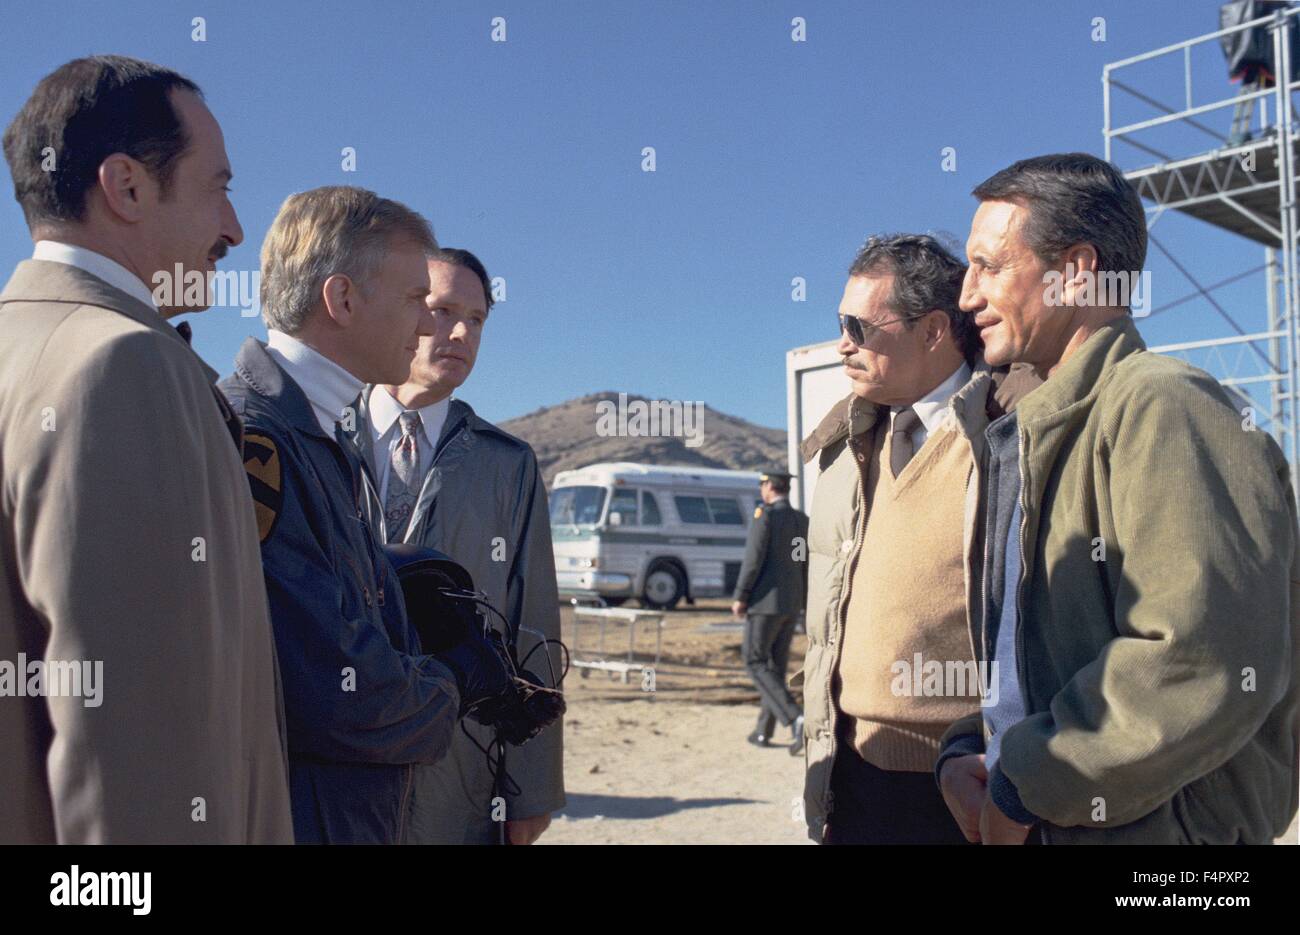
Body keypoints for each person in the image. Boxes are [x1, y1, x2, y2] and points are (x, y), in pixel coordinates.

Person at [939, 152, 1299, 844]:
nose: (966, 296)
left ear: (1076, 270)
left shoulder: (1163, 407)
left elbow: (1198, 659)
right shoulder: (1039, 430)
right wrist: (968, 749)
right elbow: (1037, 663)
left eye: (989, 266)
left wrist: (1025, 788)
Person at [0, 55, 292, 843]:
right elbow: (134, 757)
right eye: (218, 187)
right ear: (127, 187)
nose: (234, 228)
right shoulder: (119, 365)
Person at [220, 187, 511, 844]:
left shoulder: (317, 436)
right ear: (343, 299)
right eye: (416, 299)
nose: (428, 325)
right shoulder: (258, 441)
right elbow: (339, 695)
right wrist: (454, 680)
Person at [797, 234, 1038, 844]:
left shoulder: (1010, 433)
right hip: (852, 772)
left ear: (933, 330)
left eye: (859, 323)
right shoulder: (843, 449)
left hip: (969, 781)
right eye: (839, 322)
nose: (842, 342)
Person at [343, 247, 565, 845]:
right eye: (442, 310)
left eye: (477, 318)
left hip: (459, 761)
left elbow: (532, 621)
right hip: (331, 751)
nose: (462, 331)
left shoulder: (506, 464)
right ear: (399, 310)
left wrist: (530, 787)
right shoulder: (318, 437)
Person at [732, 470, 810, 754]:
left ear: (768, 487)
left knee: (753, 660)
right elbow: (802, 562)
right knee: (774, 668)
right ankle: (763, 731)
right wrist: (803, 601)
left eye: (762, 485)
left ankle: (795, 717)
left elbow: (753, 561)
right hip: (791, 604)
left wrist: (741, 596)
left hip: (764, 603)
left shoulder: (765, 517)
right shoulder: (801, 521)